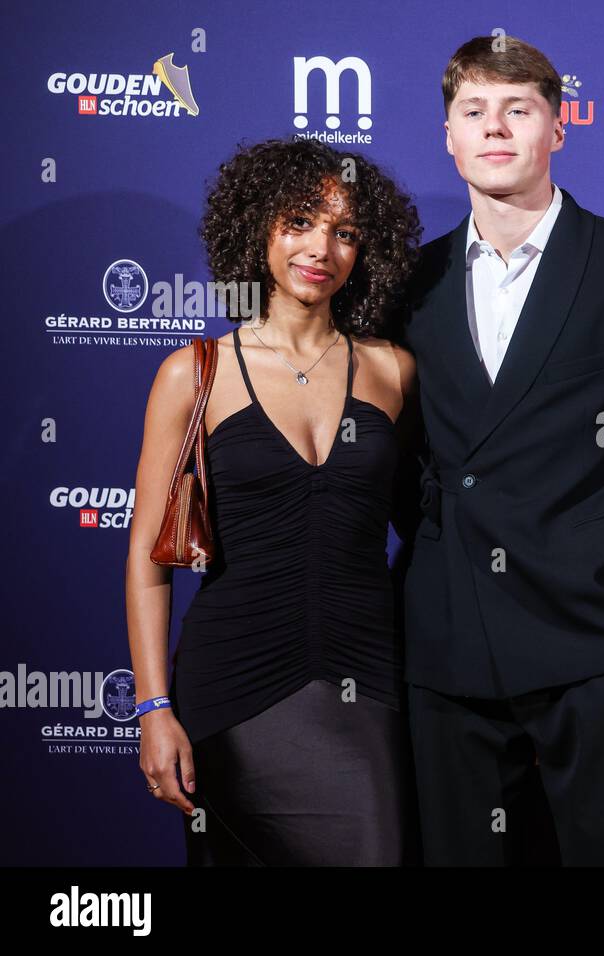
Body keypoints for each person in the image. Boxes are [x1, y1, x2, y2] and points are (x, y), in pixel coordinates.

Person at [397, 35, 604, 865]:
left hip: (595, 628)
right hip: (448, 629)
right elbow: (402, 457)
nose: (496, 129)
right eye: (475, 112)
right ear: (447, 135)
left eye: (518, 110)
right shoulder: (406, 284)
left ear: (556, 129)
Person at [125, 138, 425, 865]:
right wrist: (154, 708)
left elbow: (434, 520)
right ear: (258, 227)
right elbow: (145, 559)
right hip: (231, 685)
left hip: (367, 679)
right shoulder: (194, 373)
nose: (320, 247)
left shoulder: (391, 369)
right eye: (298, 221)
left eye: (345, 231)